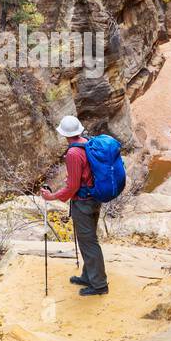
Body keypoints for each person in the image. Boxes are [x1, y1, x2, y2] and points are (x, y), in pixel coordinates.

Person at [41, 115, 108, 296]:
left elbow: (73, 187)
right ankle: (89, 276)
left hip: (83, 203)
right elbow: (83, 175)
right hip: (94, 198)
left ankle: (99, 285)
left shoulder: (73, 153)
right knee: (88, 240)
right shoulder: (87, 142)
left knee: (89, 243)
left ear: (64, 134)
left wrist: (52, 196)